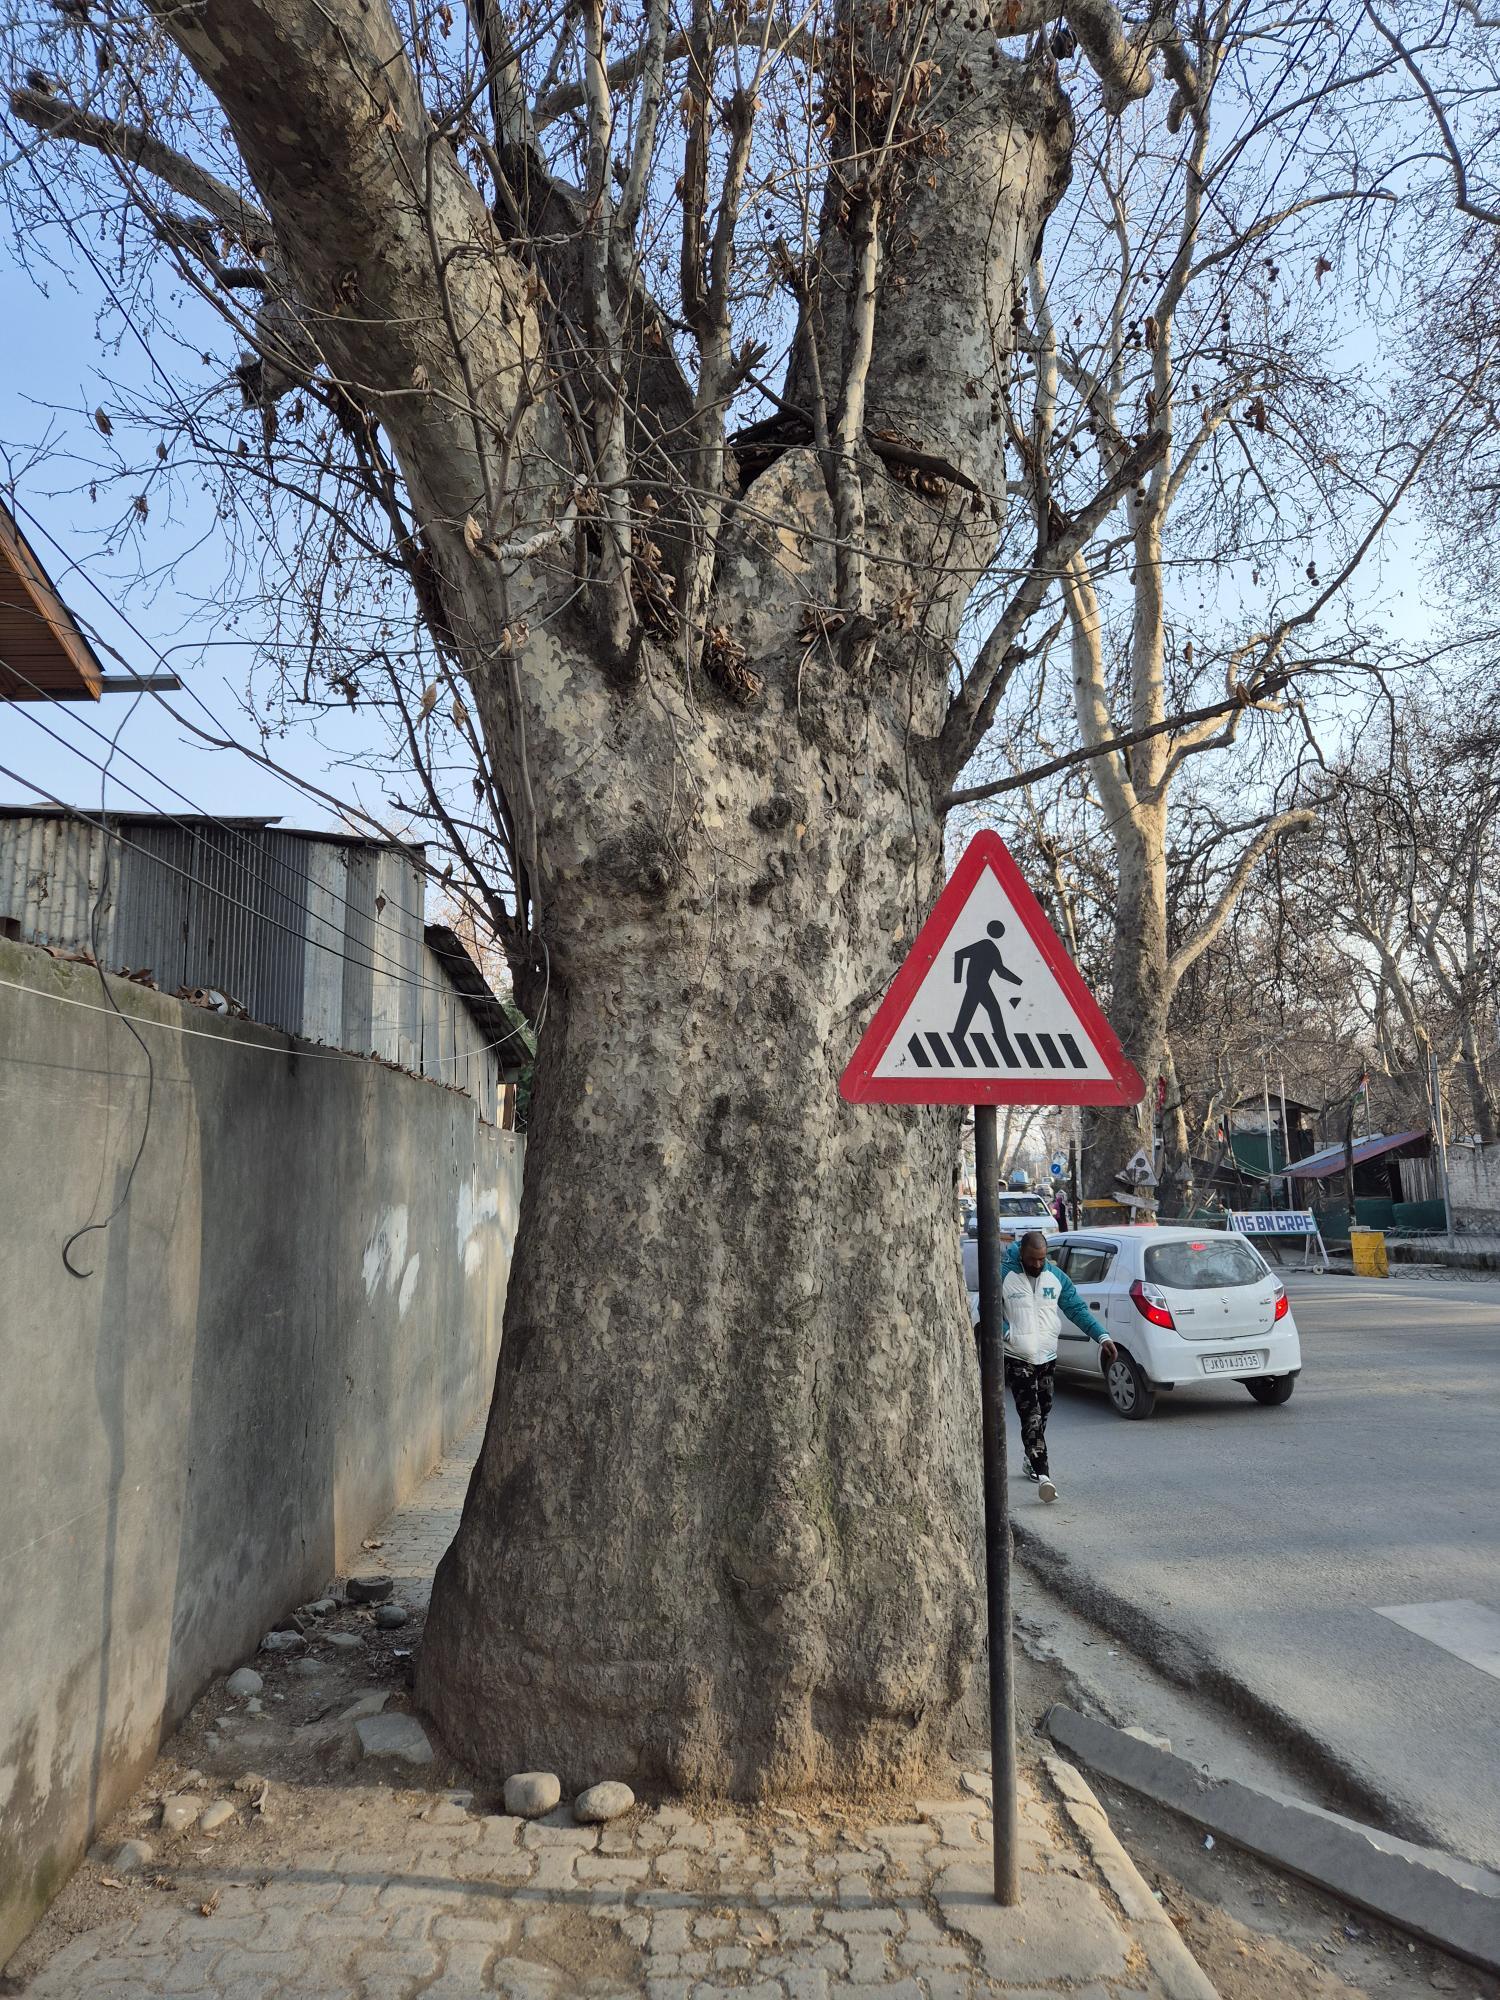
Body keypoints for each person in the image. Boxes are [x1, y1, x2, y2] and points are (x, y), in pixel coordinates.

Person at [1000, 1229, 1115, 1502]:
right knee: (1032, 1415)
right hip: (1018, 1356)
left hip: (1048, 1356)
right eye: (1032, 1259)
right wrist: (1007, 1333)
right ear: (1022, 1254)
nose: (1037, 1264)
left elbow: (1076, 1308)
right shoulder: (1004, 1275)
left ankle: (1031, 1456)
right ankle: (1044, 1475)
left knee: (1045, 1408)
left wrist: (1102, 1336)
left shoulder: (1055, 1277)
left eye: (1042, 1259)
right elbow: (988, 1309)